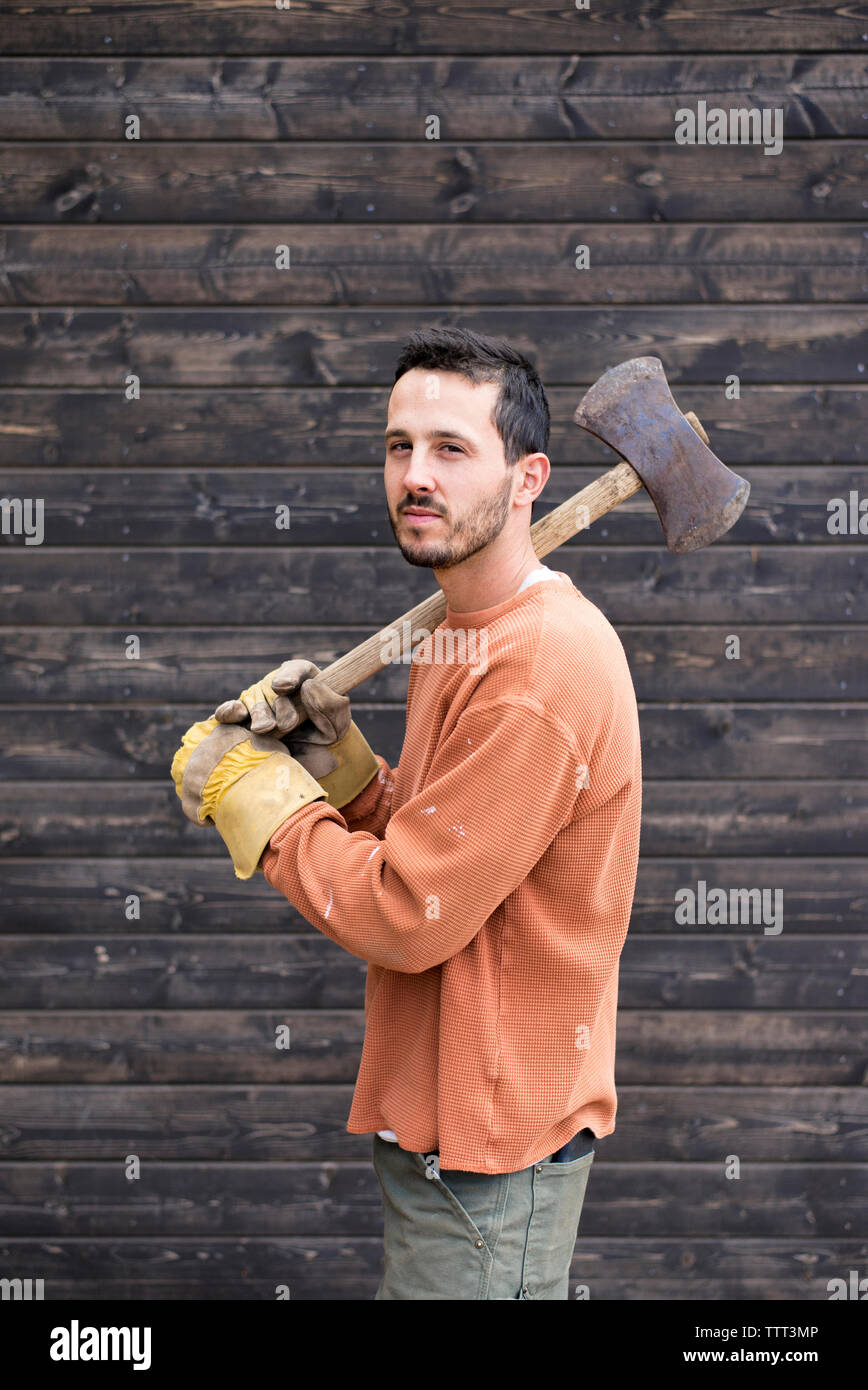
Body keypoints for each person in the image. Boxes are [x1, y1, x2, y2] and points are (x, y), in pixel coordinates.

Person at [170, 326, 642, 1300]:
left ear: (528, 477)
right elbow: (458, 848)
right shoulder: (467, 632)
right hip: (450, 1136)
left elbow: (406, 910)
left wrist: (256, 795)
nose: (415, 475)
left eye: (451, 448)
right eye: (399, 446)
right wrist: (342, 775)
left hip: (486, 1160)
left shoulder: (538, 667)